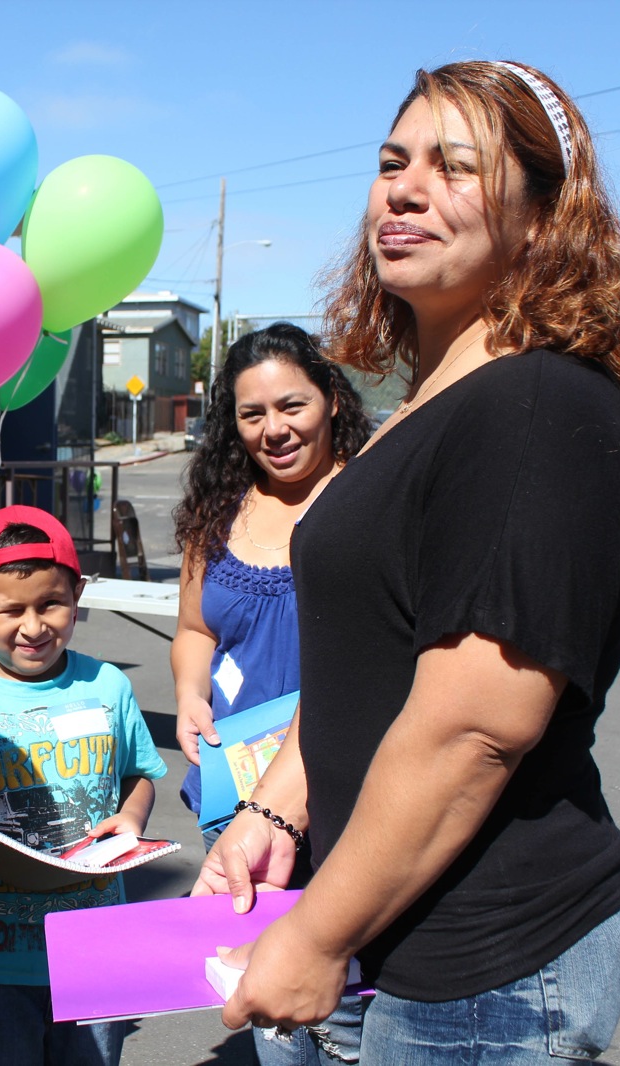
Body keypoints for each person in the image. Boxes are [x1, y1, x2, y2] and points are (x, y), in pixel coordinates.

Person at [196, 61, 620, 1065]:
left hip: (487, 973)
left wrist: (318, 929)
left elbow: (473, 727)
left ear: (546, 219)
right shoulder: (423, 408)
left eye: (454, 167)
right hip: (385, 925)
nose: (405, 188)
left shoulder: (535, 406)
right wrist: (274, 810)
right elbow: (365, 663)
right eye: (391, 162)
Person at [0, 505, 167, 1066]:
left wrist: (133, 818)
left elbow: (139, 773)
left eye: (51, 604)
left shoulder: (107, 685)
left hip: (94, 955)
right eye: (10, 610)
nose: (34, 626)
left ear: (78, 594)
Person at [171, 322, 372, 1064]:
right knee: (274, 1015)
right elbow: (194, 628)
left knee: (350, 1009)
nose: (274, 429)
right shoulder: (218, 508)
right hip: (235, 791)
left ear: (330, 400)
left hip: (348, 792)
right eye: (252, 415)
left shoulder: (368, 493)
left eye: (292, 405)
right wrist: (191, 693)